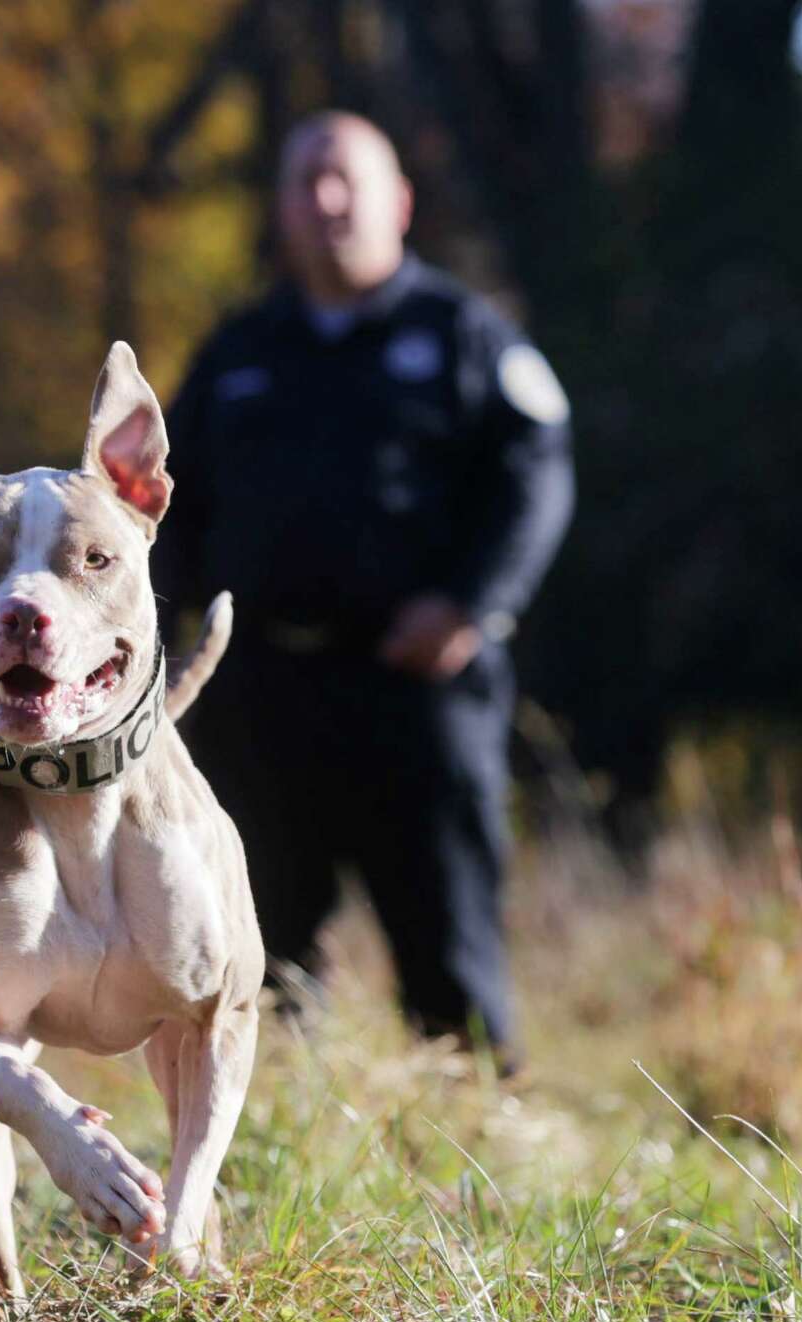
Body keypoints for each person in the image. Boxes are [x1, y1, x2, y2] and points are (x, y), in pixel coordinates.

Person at [155, 111, 574, 1062]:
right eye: (306, 179)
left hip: (416, 693)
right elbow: (166, 505)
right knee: (253, 954)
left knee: (448, 955)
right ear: (282, 209)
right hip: (261, 697)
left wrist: (471, 602)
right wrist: (152, 638)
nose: (327, 197)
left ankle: (475, 1129)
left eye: (347, 176)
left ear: (401, 202)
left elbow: (537, 475)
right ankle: (272, 1127)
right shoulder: (238, 354)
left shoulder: (464, 336)